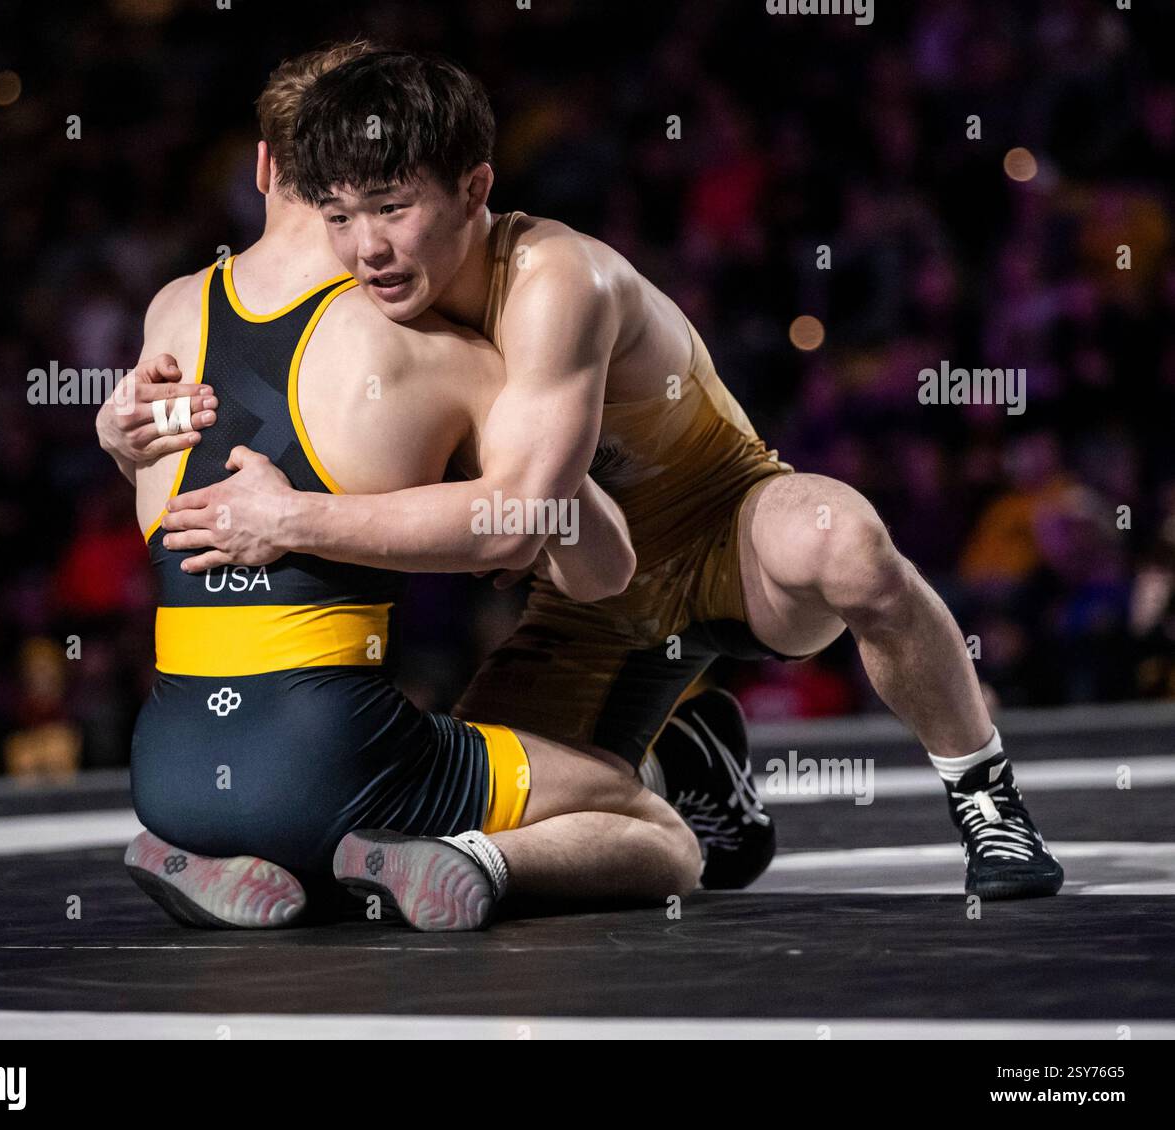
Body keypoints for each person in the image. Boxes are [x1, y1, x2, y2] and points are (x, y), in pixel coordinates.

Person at [146, 47, 1063, 900]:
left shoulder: (553, 277)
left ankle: (984, 793)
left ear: (474, 191)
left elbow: (511, 522)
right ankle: (690, 762)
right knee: (412, 815)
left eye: (392, 211)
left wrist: (292, 521)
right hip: (586, 597)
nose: (368, 248)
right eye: (342, 218)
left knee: (847, 543)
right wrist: (125, 422)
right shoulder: (375, 307)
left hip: (721, 529)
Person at [107, 47, 702, 933]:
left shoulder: (167, 316)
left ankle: (219, 851)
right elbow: (592, 563)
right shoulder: (435, 351)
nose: (373, 245)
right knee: (655, 829)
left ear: (266, 167)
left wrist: (116, 444)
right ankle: (472, 859)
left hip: (165, 766)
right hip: (328, 758)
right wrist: (539, 464)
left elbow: (162, 488)